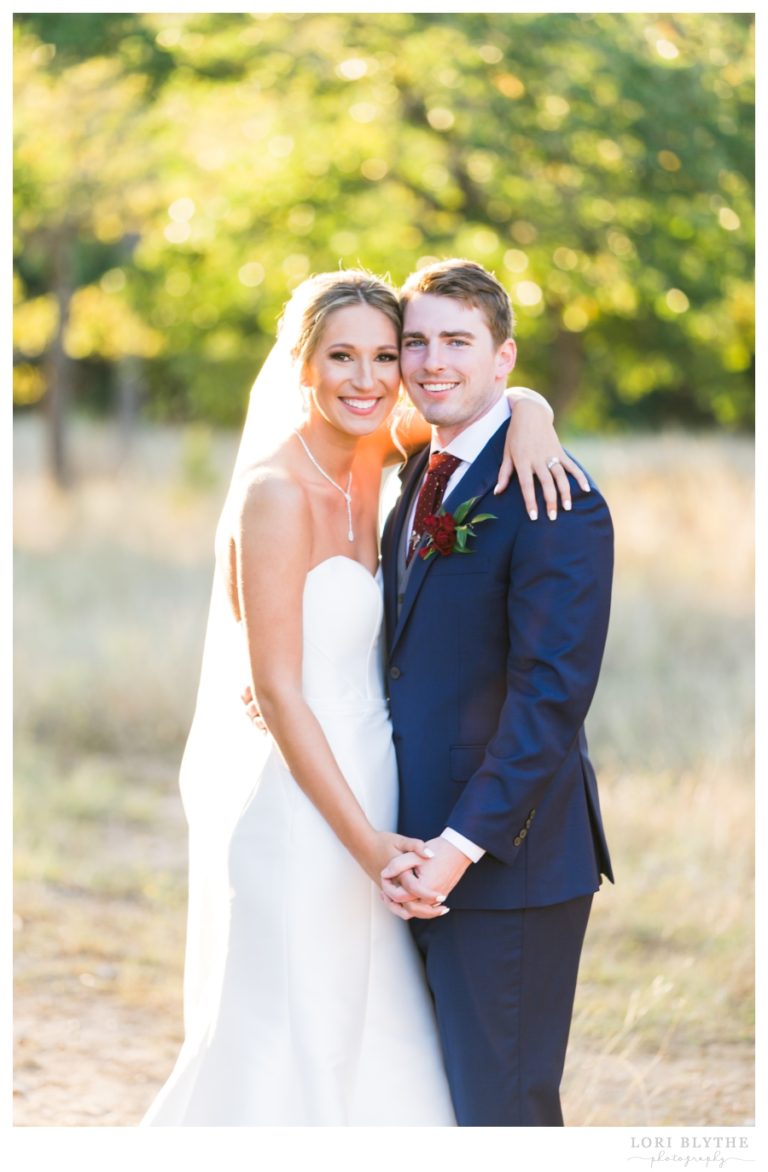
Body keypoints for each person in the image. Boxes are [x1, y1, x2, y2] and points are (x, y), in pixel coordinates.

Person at [142, 268, 581, 1126]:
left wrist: (534, 410)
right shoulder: (274, 494)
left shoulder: (383, 447)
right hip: (308, 805)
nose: (369, 377)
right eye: (342, 356)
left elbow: (481, 399)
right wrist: (369, 846)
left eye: (386, 355)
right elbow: (277, 691)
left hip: (385, 784)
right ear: (301, 365)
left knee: (381, 1034)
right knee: (295, 1033)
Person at [377, 259, 614, 1127]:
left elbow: (551, 696)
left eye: (458, 341)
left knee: (501, 1114)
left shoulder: (555, 495)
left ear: (504, 356)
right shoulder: (417, 470)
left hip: (503, 861)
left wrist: (460, 845)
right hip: (403, 852)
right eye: (416, 342)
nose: (433, 362)